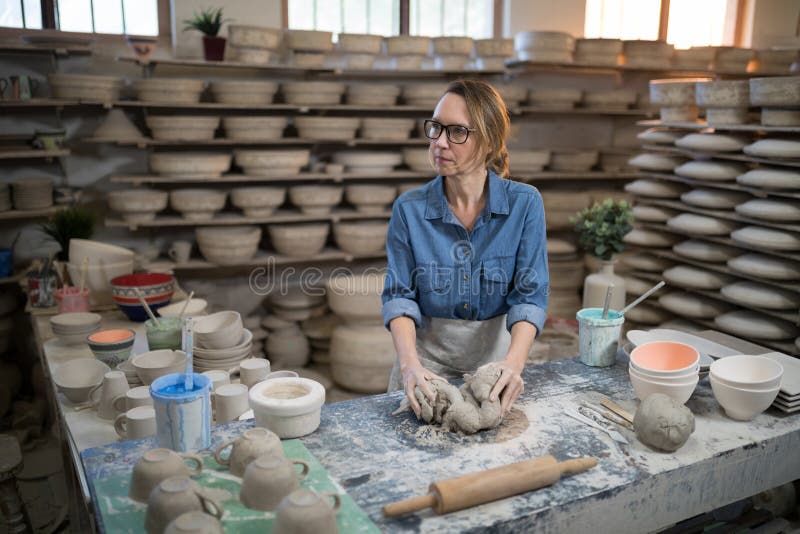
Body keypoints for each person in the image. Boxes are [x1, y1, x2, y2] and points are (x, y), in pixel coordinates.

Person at [382, 79, 549, 420]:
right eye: (435, 128)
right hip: (425, 368)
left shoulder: (524, 204)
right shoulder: (409, 210)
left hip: (495, 368)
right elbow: (399, 296)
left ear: (488, 143)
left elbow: (530, 296)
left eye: (457, 132)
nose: (439, 142)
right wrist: (409, 366)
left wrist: (514, 365)